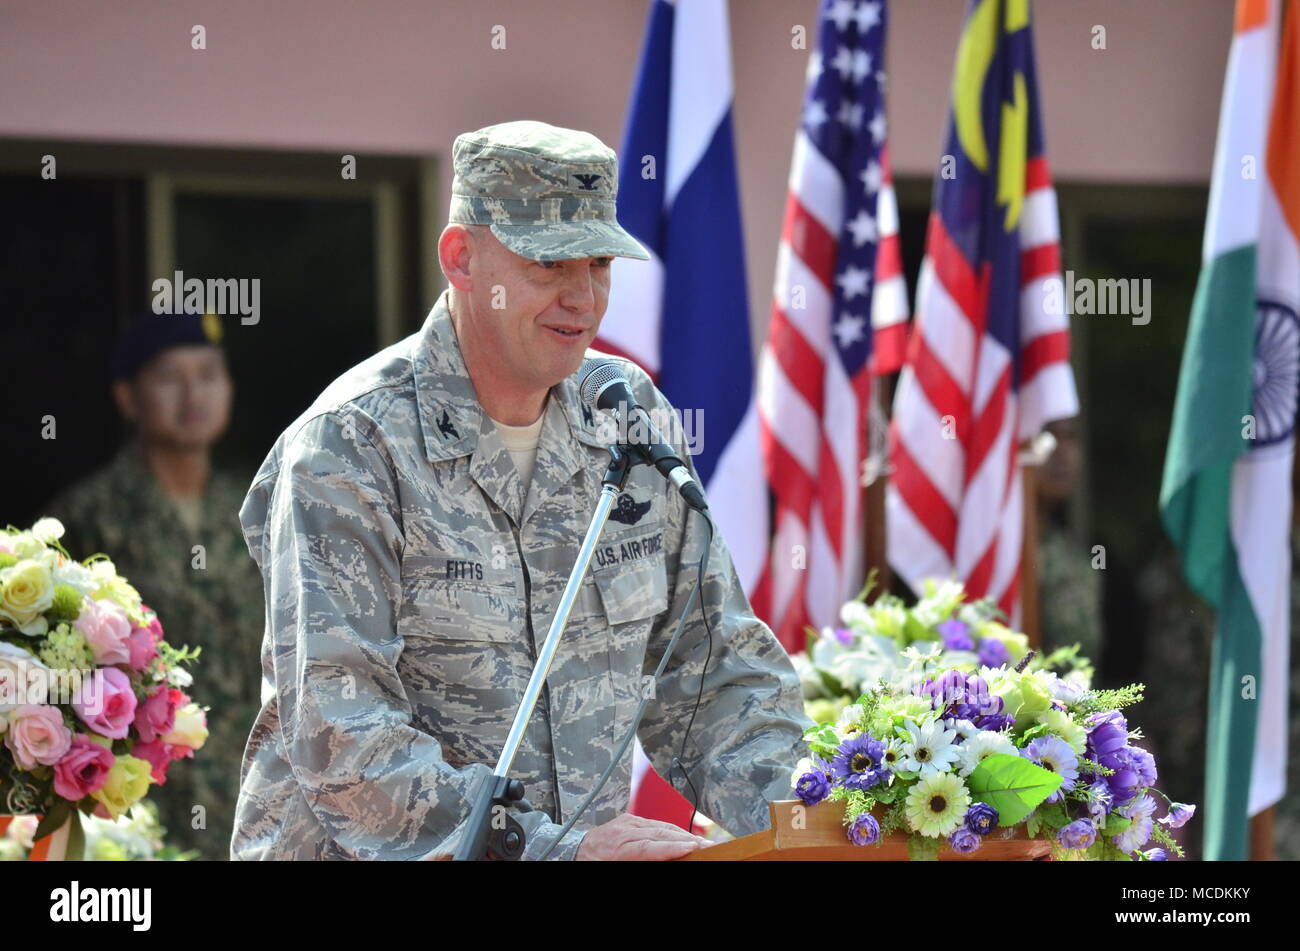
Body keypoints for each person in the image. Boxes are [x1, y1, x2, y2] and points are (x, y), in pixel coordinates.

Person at [231, 120, 811, 861]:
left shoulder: (626, 416)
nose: (583, 296)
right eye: (550, 262)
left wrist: (818, 816)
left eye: (600, 262)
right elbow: (341, 734)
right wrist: (548, 849)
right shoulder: (351, 445)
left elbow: (712, 670)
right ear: (460, 259)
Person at [47, 311, 265, 860]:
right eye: (170, 378)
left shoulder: (257, 507)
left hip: (254, 793)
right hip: (142, 797)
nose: (194, 394)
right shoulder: (88, 516)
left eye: (209, 374)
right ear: (128, 397)